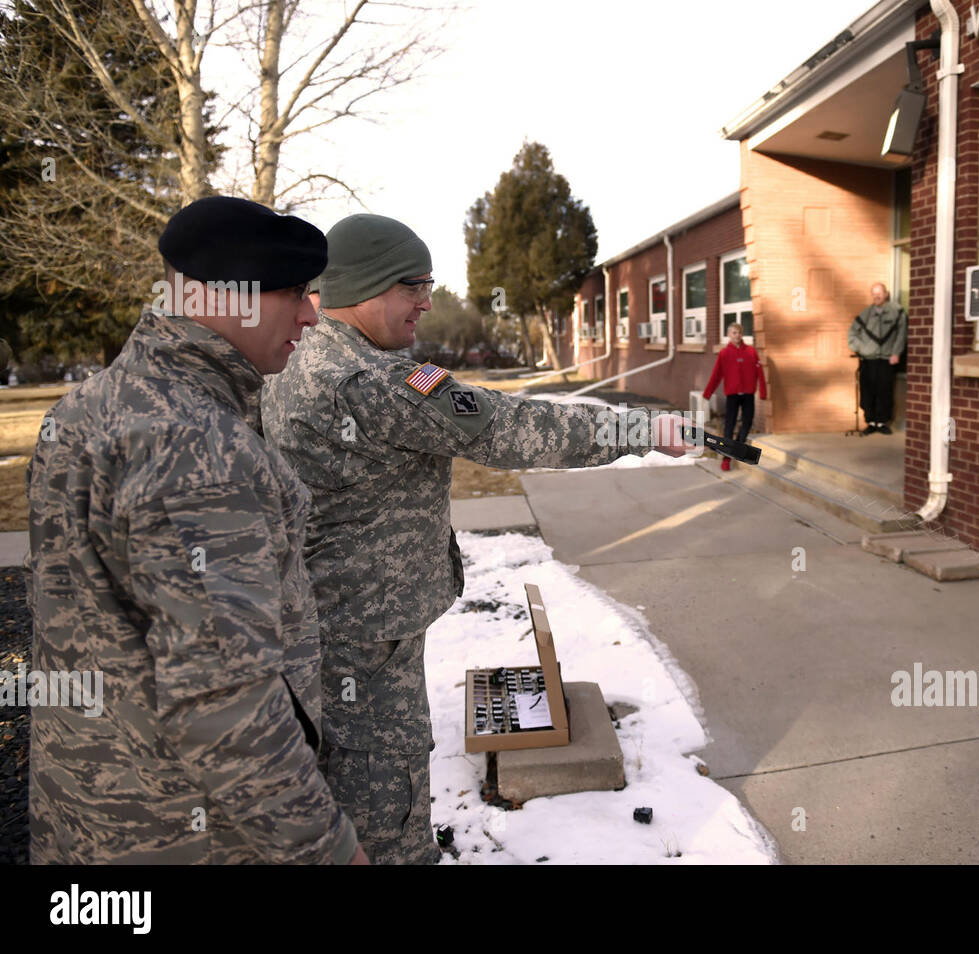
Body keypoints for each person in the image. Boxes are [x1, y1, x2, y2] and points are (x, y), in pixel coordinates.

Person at [261, 213, 689, 865]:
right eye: (414, 286)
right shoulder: (370, 382)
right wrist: (643, 432)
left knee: (333, 782)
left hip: (319, 620)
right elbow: (510, 428)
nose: (428, 301)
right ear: (368, 288)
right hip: (365, 632)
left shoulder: (294, 358)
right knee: (386, 793)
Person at [25, 196, 365, 864]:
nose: (309, 314)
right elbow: (224, 704)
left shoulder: (97, 402)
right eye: (293, 292)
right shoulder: (194, 445)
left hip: (97, 809)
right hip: (190, 829)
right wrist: (328, 850)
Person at [702, 321, 767, 471]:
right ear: (729, 335)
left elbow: (760, 374)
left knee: (747, 422)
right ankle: (726, 458)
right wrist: (707, 393)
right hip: (732, 395)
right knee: (729, 427)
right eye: (734, 333)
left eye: (739, 333)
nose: (737, 335)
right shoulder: (724, 353)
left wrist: (762, 392)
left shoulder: (751, 351)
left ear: (742, 334)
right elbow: (716, 375)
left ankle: (735, 448)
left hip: (748, 395)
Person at [848, 282, 907, 434]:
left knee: (884, 392)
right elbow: (852, 334)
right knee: (867, 392)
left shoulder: (897, 312)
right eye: (874, 294)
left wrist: (896, 353)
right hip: (868, 360)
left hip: (887, 360)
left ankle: (882, 423)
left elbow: (902, 334)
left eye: (879, 293)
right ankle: (871, 422)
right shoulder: (865, 314)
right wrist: (862, 349)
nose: (876, 296)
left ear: (886, 294)